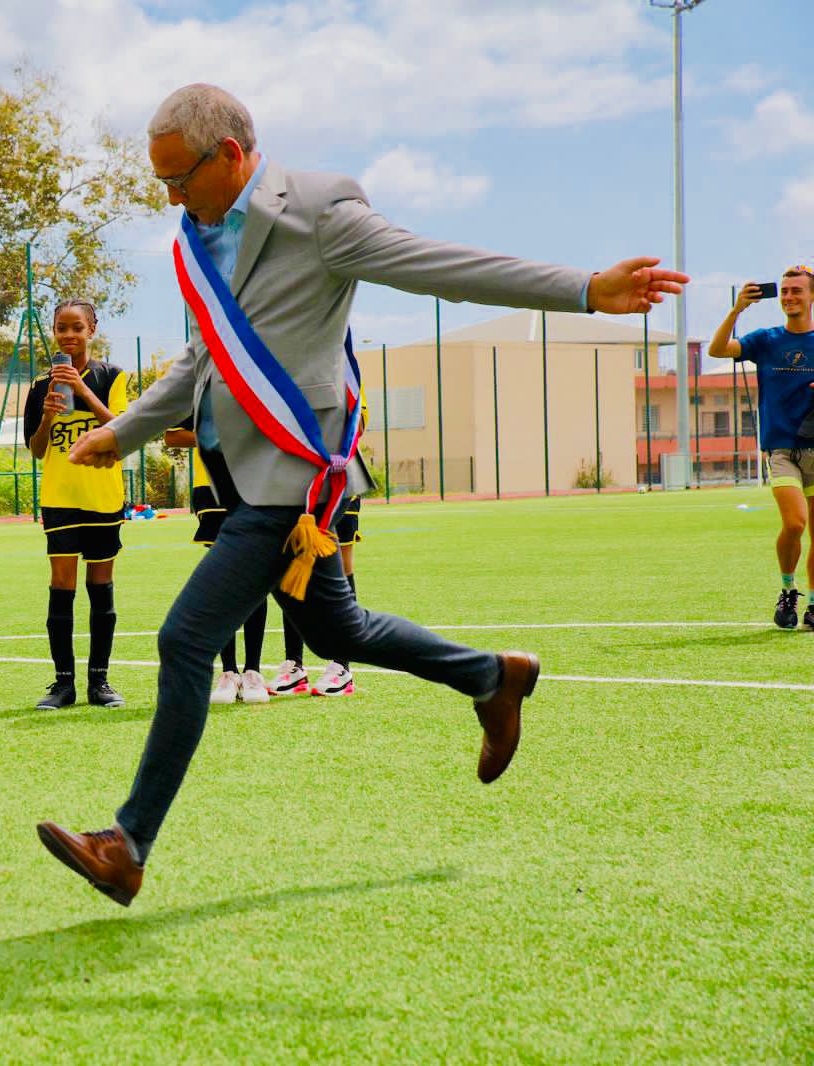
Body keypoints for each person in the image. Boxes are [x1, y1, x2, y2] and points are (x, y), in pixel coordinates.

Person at [36, 83, 688, 907]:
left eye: (178, 178)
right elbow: (203, 360)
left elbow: (440, 265)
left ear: (230, 156)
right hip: (241, 475)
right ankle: (492, 677)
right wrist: (122, 431)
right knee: (338, 626)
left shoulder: (321, 211)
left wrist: (584, 290)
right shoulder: (201, 235)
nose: (169, 197)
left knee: (184, 640)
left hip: (291, 476)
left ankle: (126, 845)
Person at [23, 299, 131, 711]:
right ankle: (63, 683)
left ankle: (99, 682)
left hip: (102, 496)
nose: (69, 336)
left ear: (91, 330)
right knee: (62, 587)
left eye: (76, 328)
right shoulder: (40, 385)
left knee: (100, 588)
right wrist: (49, 417)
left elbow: (121, 429)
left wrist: (82, 388)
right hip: (60, 497)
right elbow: (36, 450)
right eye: (61, 328)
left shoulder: (111, 377)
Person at [708, 266, 814, 629]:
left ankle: (813, 604)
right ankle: (788, 590)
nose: (789, 297)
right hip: (782, 449)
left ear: (811, 296)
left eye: (797, 291)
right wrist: (737, 309)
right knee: (795, 523)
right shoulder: (766, 340)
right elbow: (717, 348)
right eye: (784, 291)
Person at [165, 416, 269, 704]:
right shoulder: (200, 379)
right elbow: (172, 436)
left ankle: (253, 671)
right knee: (223, 581)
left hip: (254, 481)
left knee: (254, 576)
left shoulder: (258, 374)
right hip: (211, 488)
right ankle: (229, 672)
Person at [276, 495, 361, 696]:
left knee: (343, 565)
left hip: (339, 486)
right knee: (295, 563)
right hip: (300, 491)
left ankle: (342, 665)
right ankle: (294, 665)